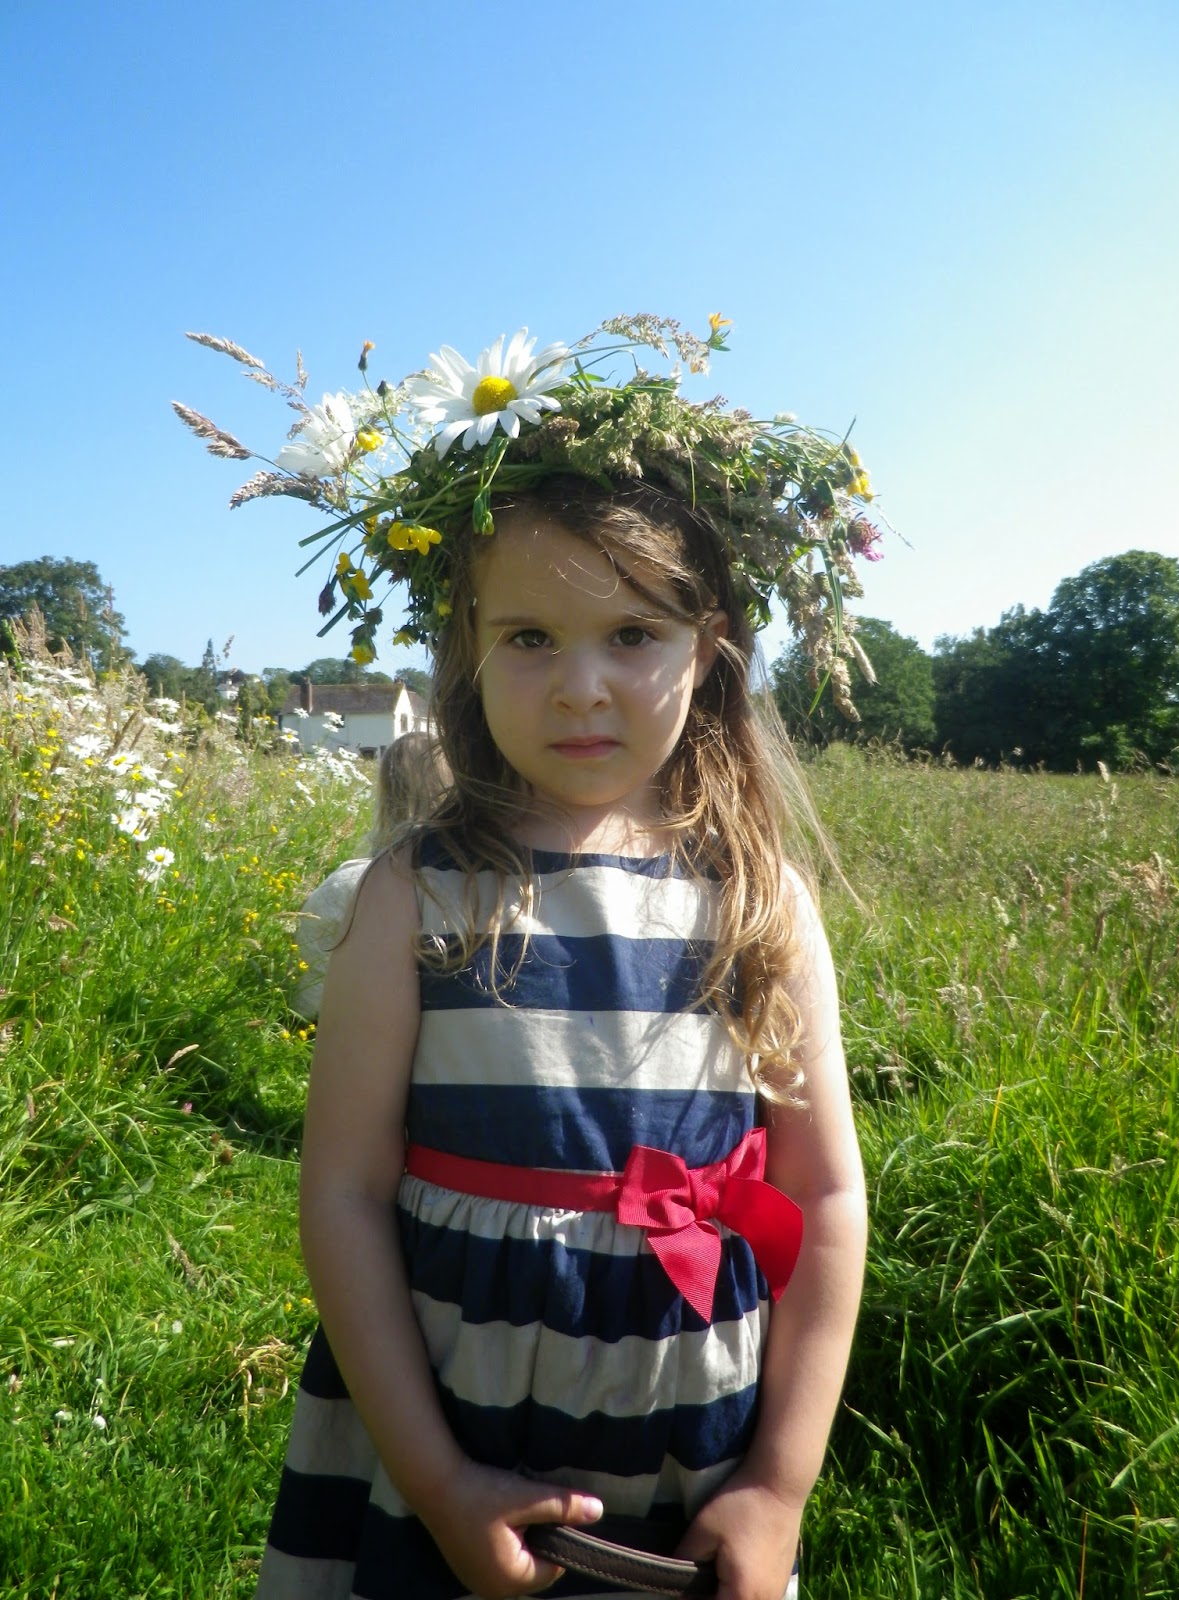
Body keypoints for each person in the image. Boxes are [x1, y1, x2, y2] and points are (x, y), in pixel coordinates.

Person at [252, 316, 876, 1600]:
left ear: (708, 648)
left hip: (692, 1459)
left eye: (632, 634)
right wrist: (437, 1480)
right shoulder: (412, 897)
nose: (581, 686)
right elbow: (345, 1194)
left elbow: (821, 1194)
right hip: (450, 1438)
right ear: (467, 650)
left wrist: (778, 1484)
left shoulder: (761, 900)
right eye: (530, 637)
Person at [292, 730, 449, 1019]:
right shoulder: (438, 889)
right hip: (354, 1025)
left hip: (308, 1022)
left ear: (385, 794)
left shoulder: (346, 881)